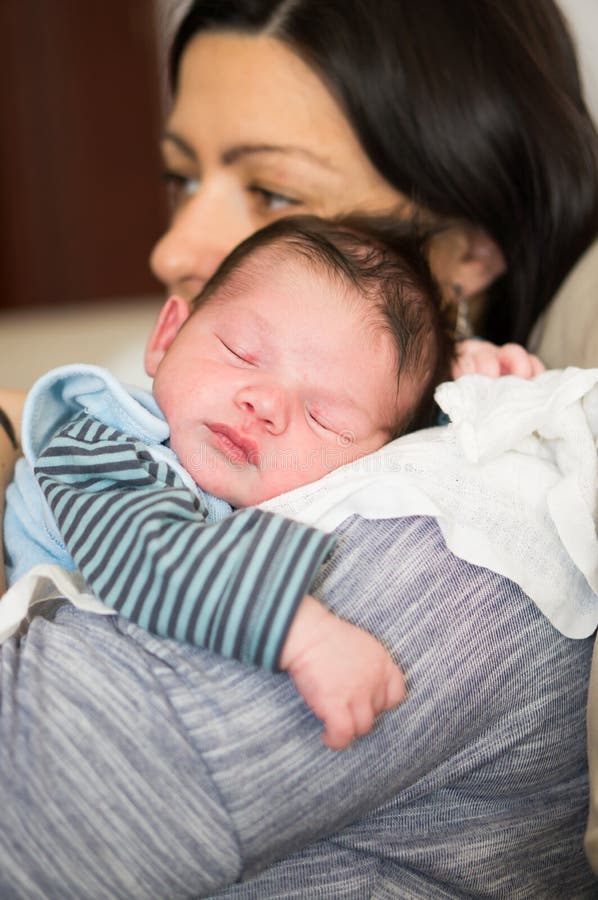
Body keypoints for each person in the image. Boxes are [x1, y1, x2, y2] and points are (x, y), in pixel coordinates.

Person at [0, 1, 596, 895]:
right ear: (172, 337)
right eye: (178, 176)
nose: (172, 247)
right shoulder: (151, 406)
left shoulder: (466, 520)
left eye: (273, 193)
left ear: (467, 246)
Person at [5, 214, 453, 750]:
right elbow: (153, 555)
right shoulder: (98, 445)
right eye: (241, 352)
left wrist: (469, 398)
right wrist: (300, 634)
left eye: (325, 419)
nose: (263, 403)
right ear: (168, 334)